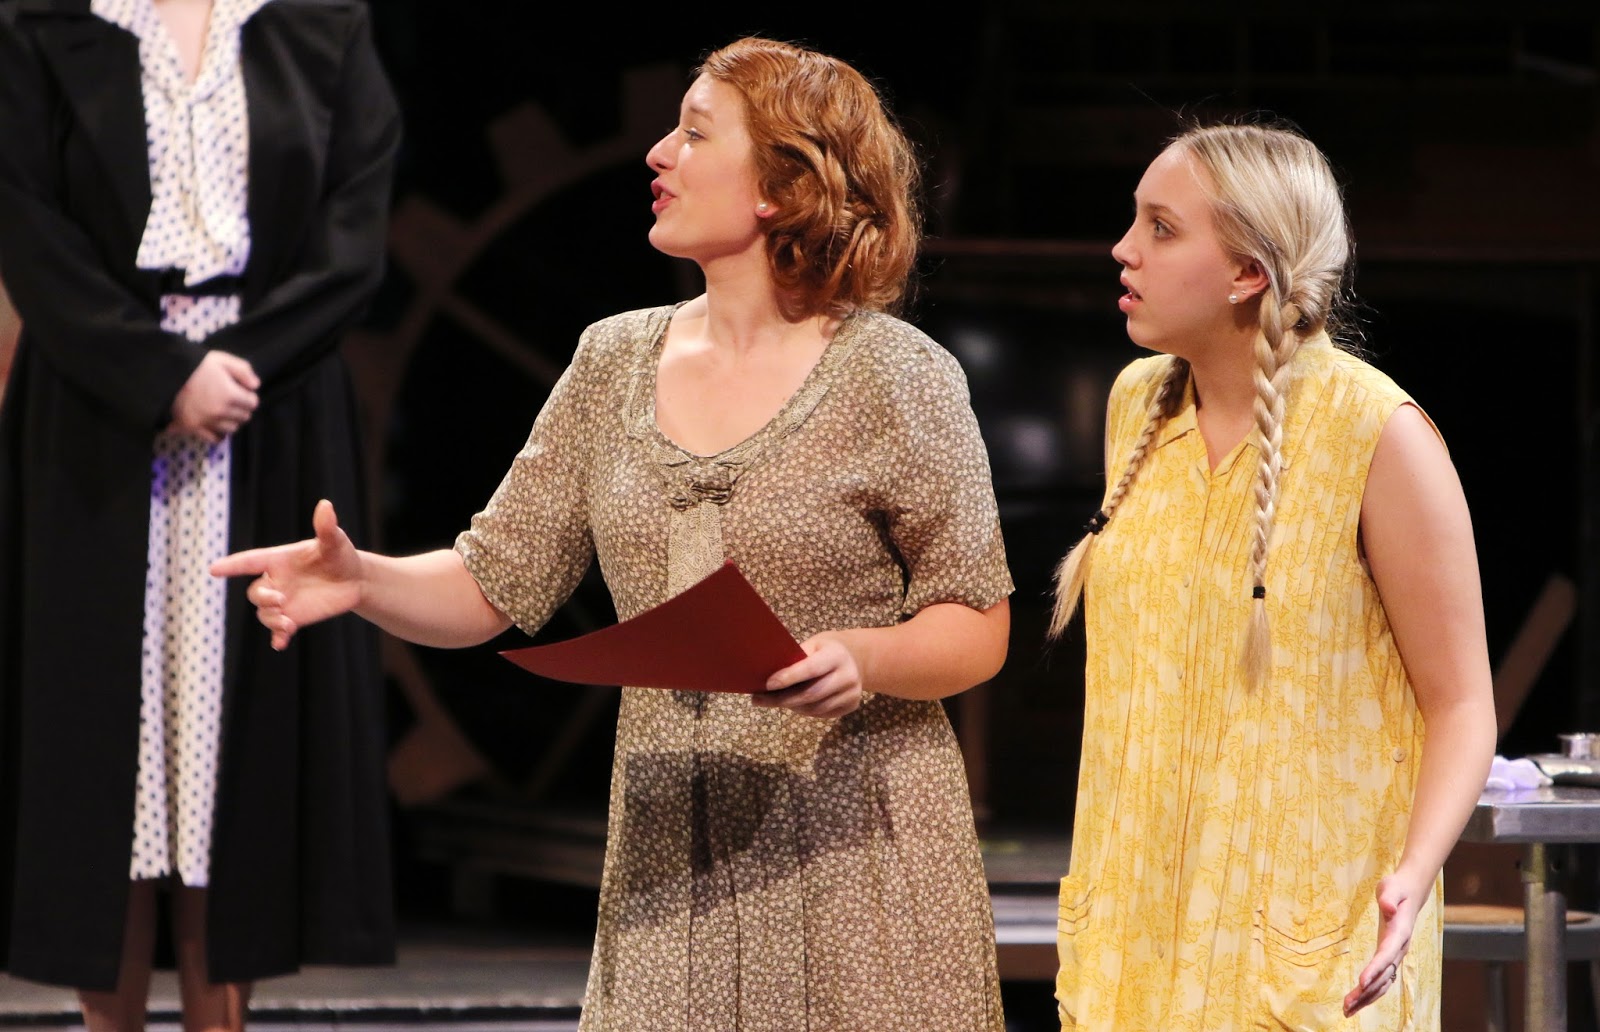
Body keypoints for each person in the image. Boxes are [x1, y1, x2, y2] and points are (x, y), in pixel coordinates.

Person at [214, 34, 1013, 1032]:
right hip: (667, 868)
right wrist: (362, 580)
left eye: (692, 133)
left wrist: (867, 653)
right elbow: (493, 584)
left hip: (850, 858)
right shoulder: (612, 361)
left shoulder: (898, 376)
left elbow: (977, 625)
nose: (657, 156)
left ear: (779, 184)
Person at [0, 1, 401, 1028]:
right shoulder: (43, 25)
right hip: (97, 411)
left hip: (265, 415)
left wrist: (236, 370)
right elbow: (25, 222)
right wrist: (157, 377)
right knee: (107, 742)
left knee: (235, 740)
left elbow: (352, 233)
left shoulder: (319, 26)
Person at [1046, 120, 1496, 1030]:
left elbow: (1461, 703)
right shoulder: (1137, 403)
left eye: (1161, 228)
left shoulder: (1378, 434)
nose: (1123, 249)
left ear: (1248, 272)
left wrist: (1413, 875)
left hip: (1301, 953)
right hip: (1137, 943)